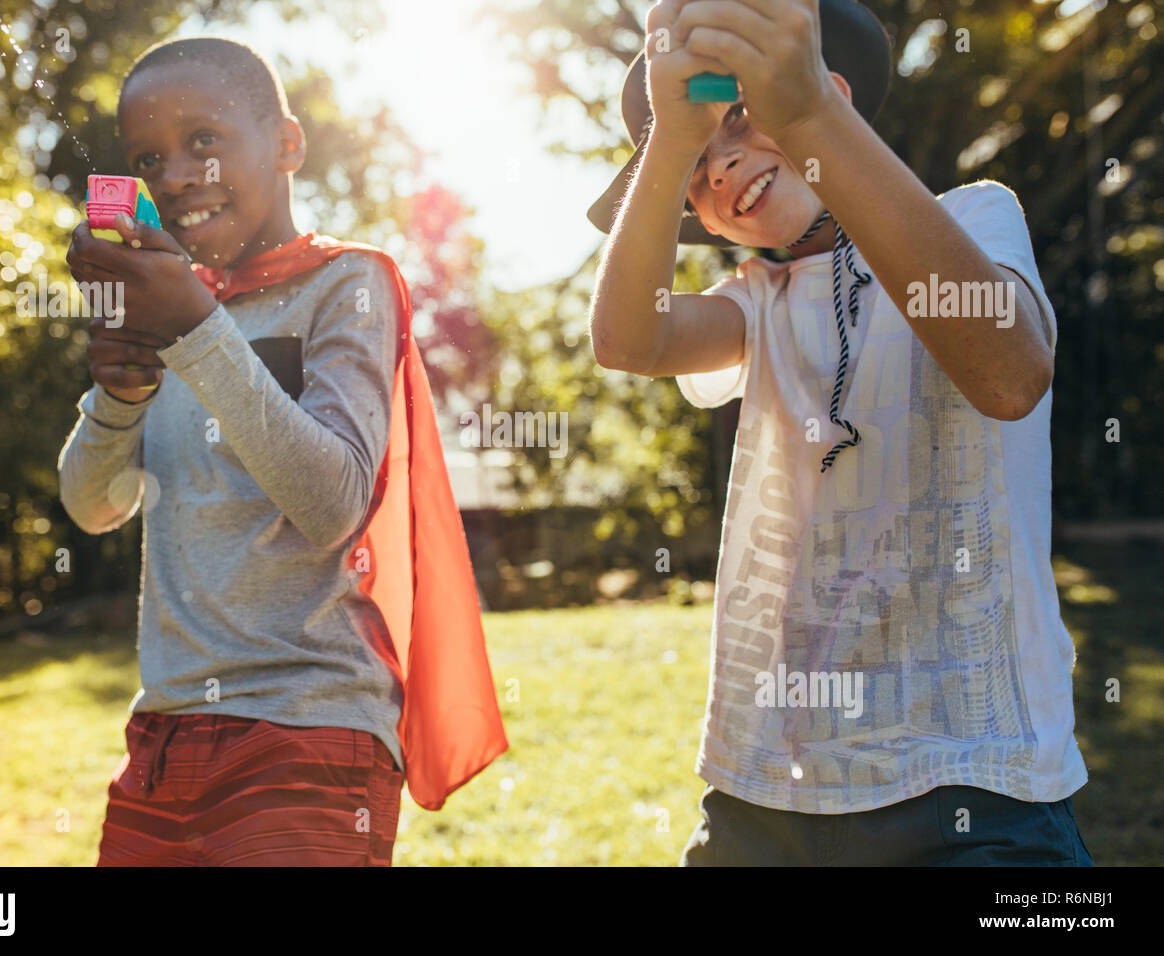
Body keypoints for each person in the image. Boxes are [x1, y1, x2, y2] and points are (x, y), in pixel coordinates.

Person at [588, 0, 1093, 865]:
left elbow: (1011, 376)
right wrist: (666, 144)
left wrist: (806, 113)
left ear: (834, 95)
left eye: (739, 118)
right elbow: (630, 339)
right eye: (697, 172)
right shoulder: (758, 302)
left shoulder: (974, 217)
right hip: (769, 789)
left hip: (973, 779)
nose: (722, 166)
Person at [59, 36, 506, 866]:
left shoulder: (347, 285)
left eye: (204, 140)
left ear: (288, 144)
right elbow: (95, 505)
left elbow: (333, 501)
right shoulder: (169, 307)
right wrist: (119, 398)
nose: (179, 175)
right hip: (164, 734)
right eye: (149, 158)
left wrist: (193, 328)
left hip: (310, 726)